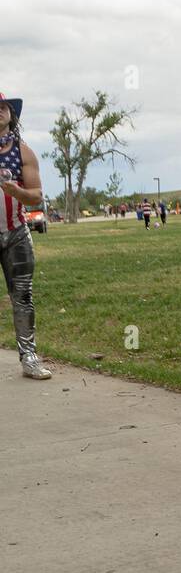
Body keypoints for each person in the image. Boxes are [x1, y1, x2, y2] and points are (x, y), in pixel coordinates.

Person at [0, 91, 52, 379]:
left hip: (16, 234)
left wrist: (17, 192)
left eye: (4, 106)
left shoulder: (23, 151)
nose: (0, 110)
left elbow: (37, 197)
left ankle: (29, 357)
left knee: (22, 297)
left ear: (12, 114)